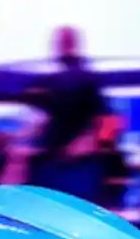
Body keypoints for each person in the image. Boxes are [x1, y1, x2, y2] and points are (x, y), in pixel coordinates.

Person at [30, 27, 109, 199]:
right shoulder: (51, 81)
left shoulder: (87, 79)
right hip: (53, 160)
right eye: (58, 42)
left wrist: (93, 142)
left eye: (65, 42)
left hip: (80, 163)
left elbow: (109, 121)